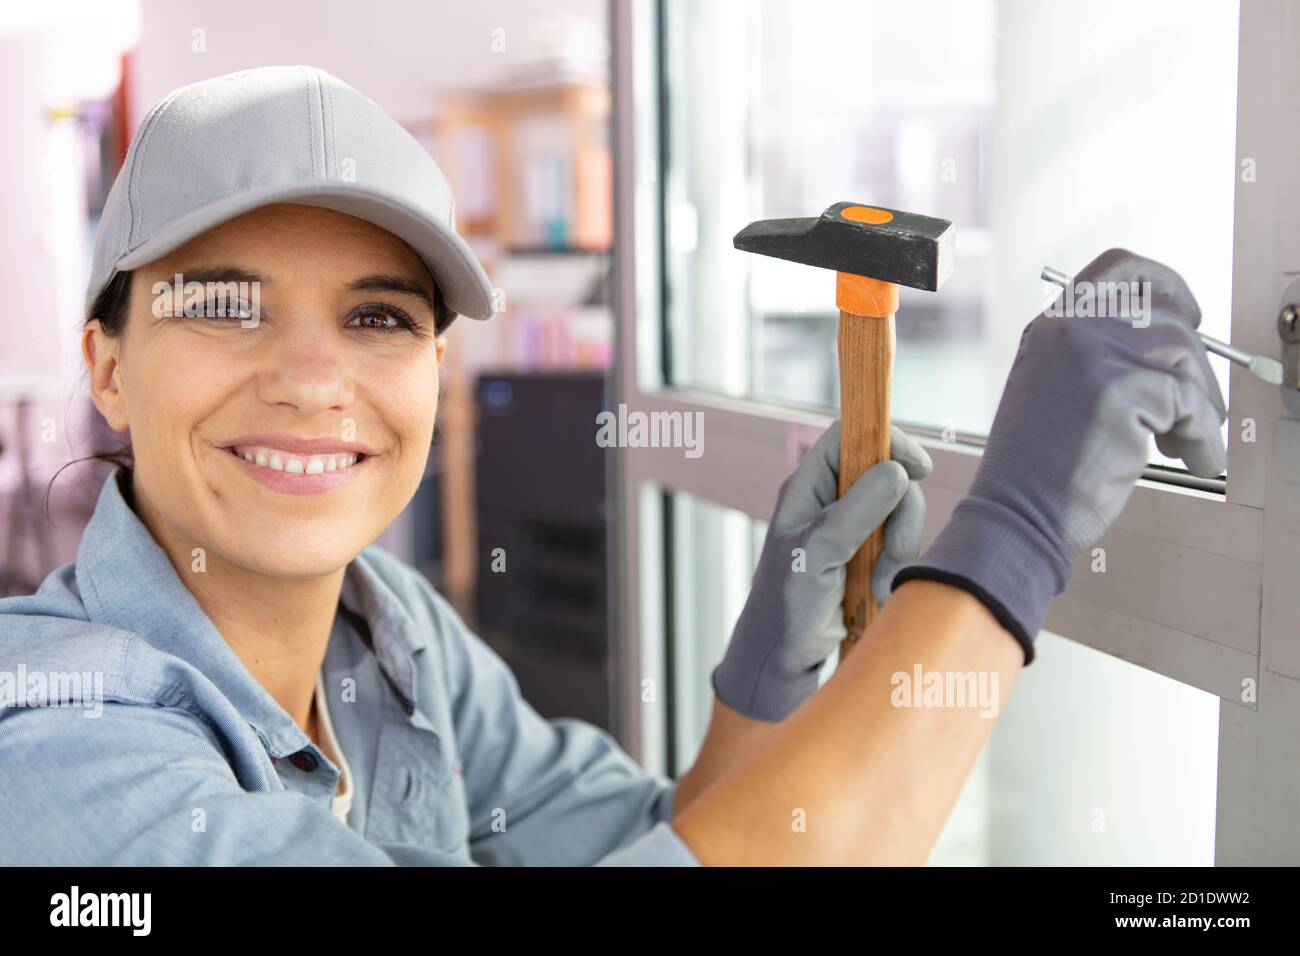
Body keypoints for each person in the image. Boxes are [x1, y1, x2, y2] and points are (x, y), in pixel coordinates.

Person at [0, 66, 1225, 866]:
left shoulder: (391, 639)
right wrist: (1011, 530)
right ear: (106, 363)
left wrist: (764, 673)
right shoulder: (56, 755)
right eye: (225, 303)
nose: (315, 379)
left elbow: (668, 841)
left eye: (379, 317)